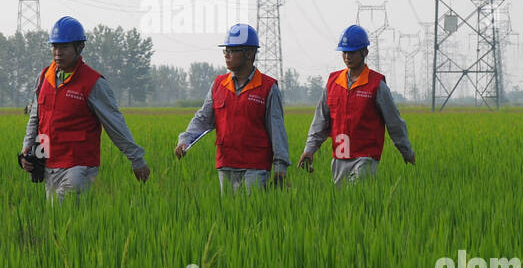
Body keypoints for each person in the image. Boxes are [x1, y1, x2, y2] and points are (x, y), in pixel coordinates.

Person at [20, 15, 151, 202]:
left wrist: (136, 159)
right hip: (49, 163)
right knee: (56, 221)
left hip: (78, 166)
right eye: (55, 46)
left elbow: (115, 124)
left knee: (66, 216)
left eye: (64, 47)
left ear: (79, 47)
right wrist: (27, 148)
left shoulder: (93, 83)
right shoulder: (44, 77)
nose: (58, 52)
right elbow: (36, 118)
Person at [174, 23, 289, 192]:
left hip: (255, 167)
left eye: (232, 50)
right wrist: (185, 141)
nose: (227, 55)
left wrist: (280, 167)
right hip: (226, 165)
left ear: (249, 53)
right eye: (225, 50)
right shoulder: (219, 84)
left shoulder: (268, 87)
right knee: (230, 215)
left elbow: (277, 129)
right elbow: (203, 118)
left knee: (252, 214)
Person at [299, 24, 415, 184]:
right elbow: (320, 121)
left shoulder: (376, 85)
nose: (347, 56)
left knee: (357, 196)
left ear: (364, 52)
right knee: (342, 203)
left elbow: (394, 121)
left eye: (352, 52)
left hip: (365, 157)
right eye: (344, 52)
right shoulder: (333, 83)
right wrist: (309, 150)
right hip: (340, 156)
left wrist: (406, 150)